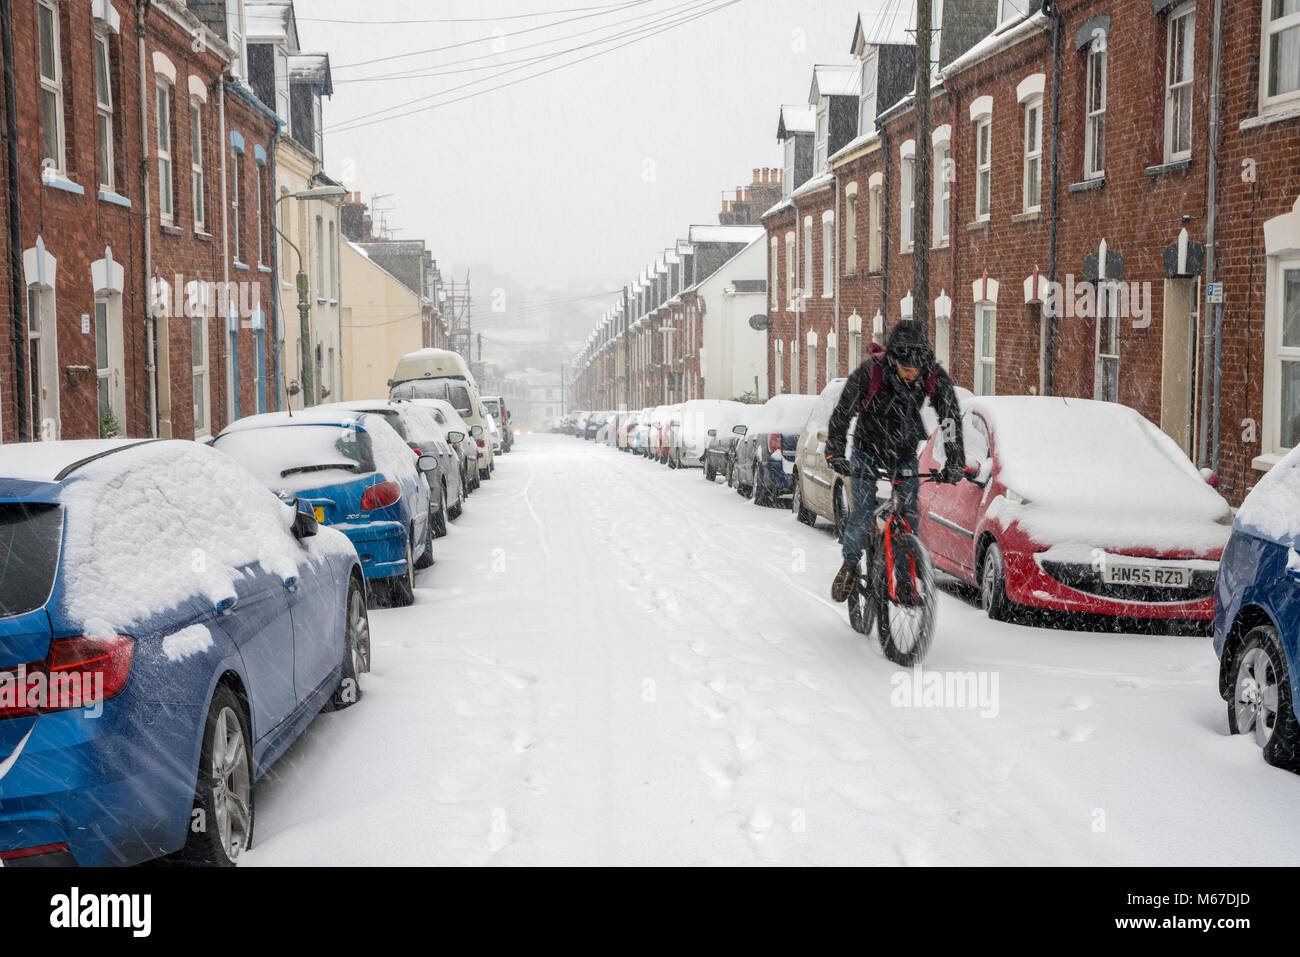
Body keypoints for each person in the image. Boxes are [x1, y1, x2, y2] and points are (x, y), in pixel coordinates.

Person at [825, 320, 967, 602]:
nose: (912, 376)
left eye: (916, 370)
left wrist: (955, 459)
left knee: (908, 513)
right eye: (905, 370)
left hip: (903, 449)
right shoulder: (870, 372)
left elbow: (949, 417)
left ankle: (904, 581)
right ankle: (850, 564)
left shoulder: (931, 374)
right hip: (867, 447)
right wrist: (836, 453)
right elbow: (842, 415)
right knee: (863, 512)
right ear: (892, 359)